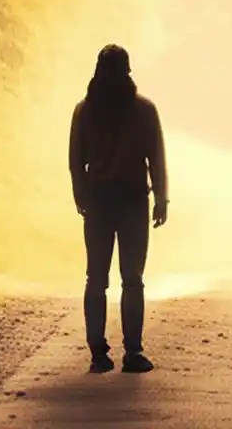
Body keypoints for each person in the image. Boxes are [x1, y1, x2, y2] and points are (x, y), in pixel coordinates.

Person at [67, 44, 168, 374]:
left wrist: (80, 195)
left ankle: (98, 352)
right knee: (132, 278)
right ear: (128, 71)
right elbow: (156, 159)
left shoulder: (85, 110)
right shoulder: (143, 110)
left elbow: (75, 160)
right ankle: (133, 351)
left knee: (96, 278)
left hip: (99, 201)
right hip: (133, 201)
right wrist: (161, 198)